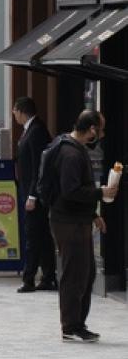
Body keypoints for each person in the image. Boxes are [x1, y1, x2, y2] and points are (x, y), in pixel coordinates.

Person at [45, 110, 117, 342]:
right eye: (101, 129)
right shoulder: (71, 155)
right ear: (92, 130)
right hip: (68, 221)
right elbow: (71, 191)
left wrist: (93, 215)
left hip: (76, 219)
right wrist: (101, 193)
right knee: (75, 274)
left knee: (85, 273)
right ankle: (70, 326)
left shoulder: (70, 147)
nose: (102, 134)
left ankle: (77, 323)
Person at [13, 97, 56, 293]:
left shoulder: (37, 131)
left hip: (35, 195)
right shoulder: (29, 130)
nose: (14, 115)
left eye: (15, 111)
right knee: (43, 236)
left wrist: (32, 195)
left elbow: (40, 166)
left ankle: (28, 278)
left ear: (21, 111)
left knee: (32, 235)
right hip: (29, 191)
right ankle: (48, 276)